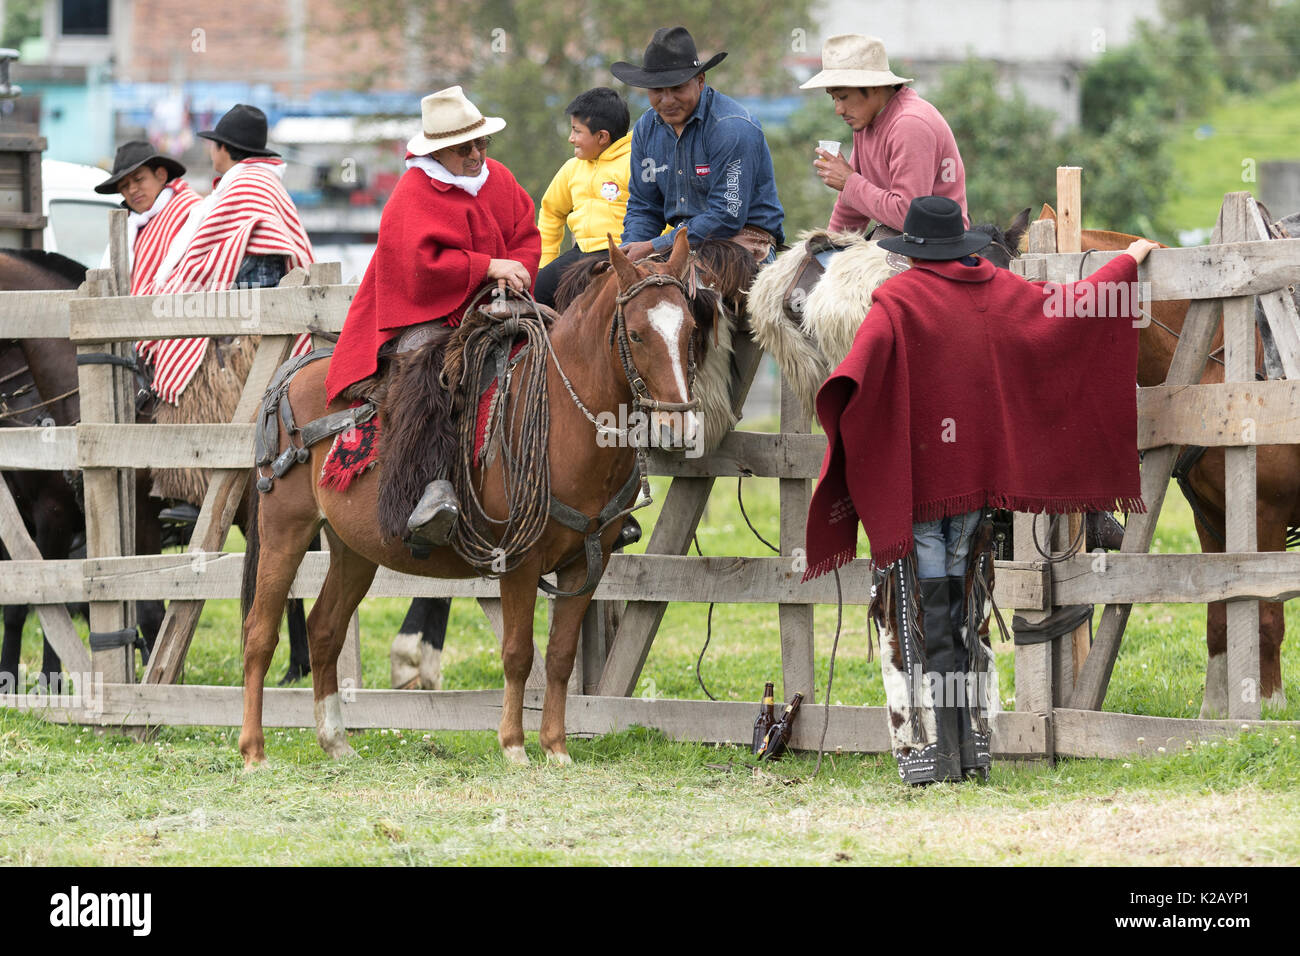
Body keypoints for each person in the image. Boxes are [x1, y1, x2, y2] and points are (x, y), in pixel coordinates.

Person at [802, 195, 1158, 785]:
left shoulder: (897, 299)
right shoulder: (1001, 289)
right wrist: (1127, 262)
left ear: (911, 250)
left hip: (922, 487)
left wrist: (847, 410)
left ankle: (942, 756)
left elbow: (856, 373)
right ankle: (969, 754)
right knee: (963, 612)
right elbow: (1071, 309)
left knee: (934, 613)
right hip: (973, 491)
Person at [325, 86, 541, 550]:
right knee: (430, 375)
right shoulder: (412, 193)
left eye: (482, 144)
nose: (477, 154)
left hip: (500, 303)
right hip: (426, 310)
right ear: (439, 150)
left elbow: (525, 233)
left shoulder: (498, 178)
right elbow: (421, 268)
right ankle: (422, 495)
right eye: (466, 148)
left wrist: (516, 270)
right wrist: (487, 267)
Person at [142, 103, 315, 406]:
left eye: (213, 145)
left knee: (179, 308)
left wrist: (183, 282)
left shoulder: (245, 185)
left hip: (253, 304)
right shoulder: (261, 181)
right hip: (268, 295)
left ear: (224, 148)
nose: (211, 152)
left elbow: (208, 252)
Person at [613, 26, 784, 263]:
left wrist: (654, 246)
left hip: (741, 243)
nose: (667, 100)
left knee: (697, 294)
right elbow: (644, 206)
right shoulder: (645, 128)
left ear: (700, 81)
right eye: (657, 91)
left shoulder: (731, 127)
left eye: (677, 88)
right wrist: (630, 255)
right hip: (678, 247)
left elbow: (726, 216)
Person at [801, 34, 967, 239]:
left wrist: (849, 182)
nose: (838, 109)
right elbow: (851, 208)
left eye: (843, 97)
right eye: (833, 98)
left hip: (938, 243)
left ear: (874, 86)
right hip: (901, 240)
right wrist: (828, 248)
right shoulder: (866, 123)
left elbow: (909, 215)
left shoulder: (909, 124)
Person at [534, 87, 632, 308]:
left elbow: (656, 210)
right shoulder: (572, 168)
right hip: (581, 255)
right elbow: (551, 211)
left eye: (577, 131)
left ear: (602, 137)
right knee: (536, 291)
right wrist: (545, 261)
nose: (571, 139)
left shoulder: (633, 163)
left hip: (621, 255)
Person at [94, 140, 201, 294]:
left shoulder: (189, 209)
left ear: (161, 175)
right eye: (124, 186)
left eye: (138, 179)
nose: (132, 189)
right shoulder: (130, 225)